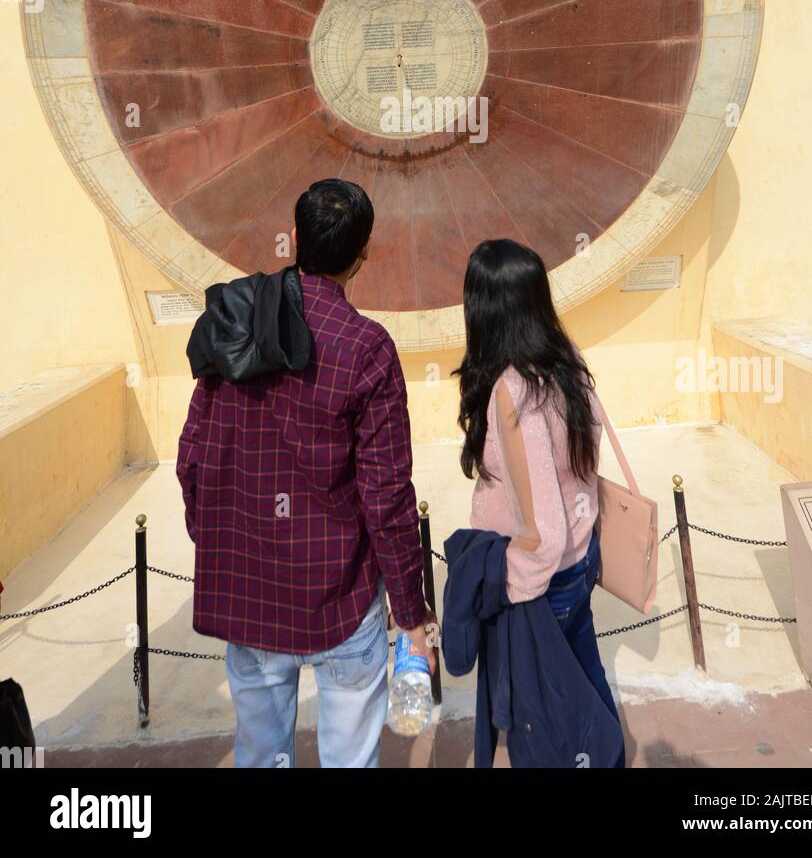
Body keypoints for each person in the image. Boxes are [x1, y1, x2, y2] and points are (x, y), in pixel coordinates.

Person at [176, 178, 434, 768]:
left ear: (292, 240)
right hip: (339, 597)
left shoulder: (234, 317)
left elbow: (192, 454)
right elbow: (388, 497)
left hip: (251, 593)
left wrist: (222, 545)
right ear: (363, 254)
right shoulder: (366, 347)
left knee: (261, 757)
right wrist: (412, 617)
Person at [455, 237, 625, 767]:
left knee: (543, 720)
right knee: (586, 682)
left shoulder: (513, 391)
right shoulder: (565, 362)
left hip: (542, 583)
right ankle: (607, 756)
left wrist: (498, 585)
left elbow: (543, 528)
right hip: (581, 559)